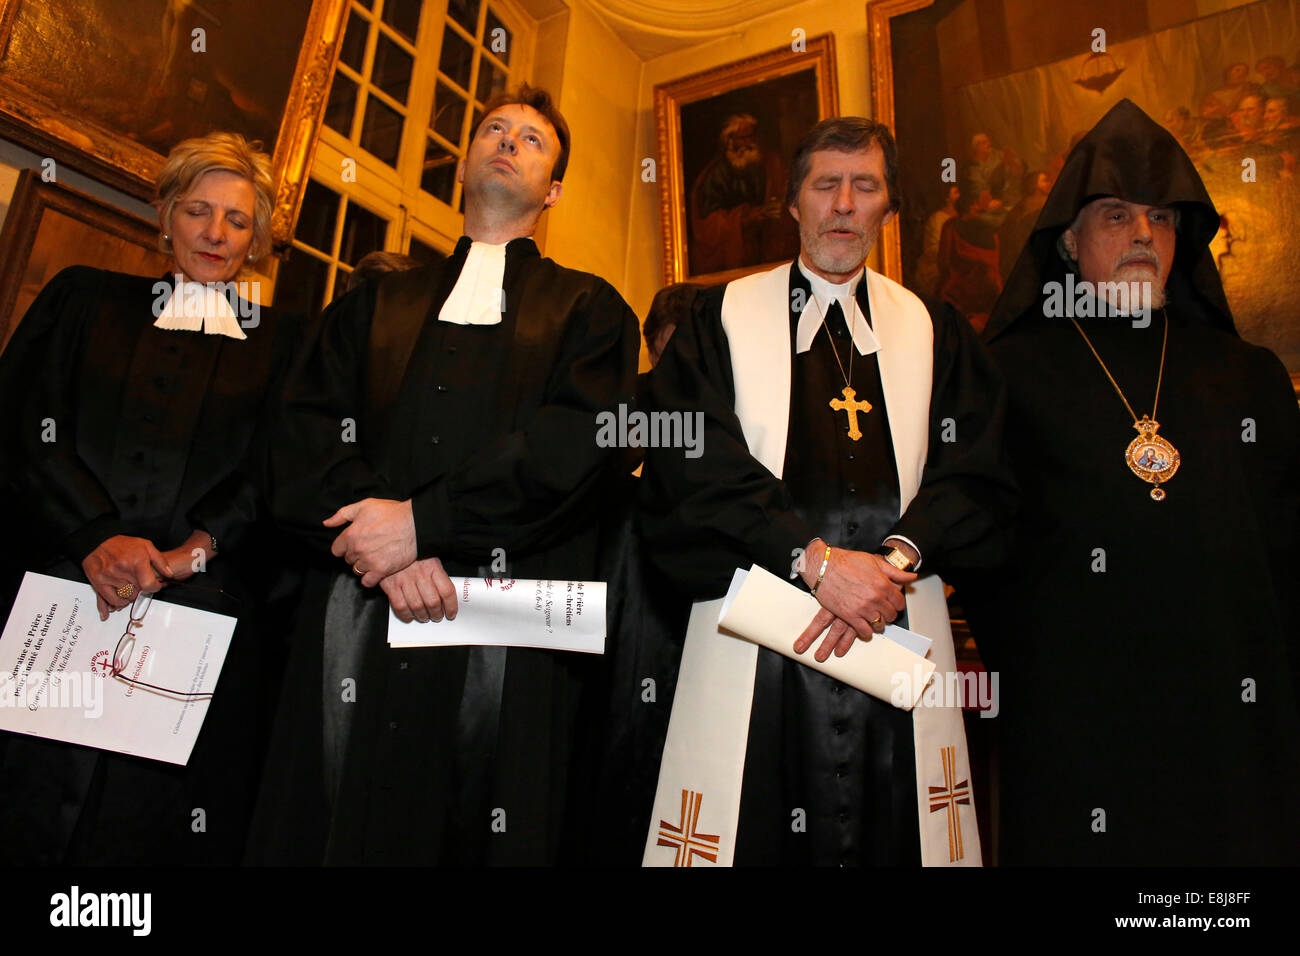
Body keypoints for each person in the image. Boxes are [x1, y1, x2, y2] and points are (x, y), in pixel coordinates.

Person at [249, 84, 639, 865]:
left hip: (504, 614)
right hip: (357, 603)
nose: (508, 141)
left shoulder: (590, 310)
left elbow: (581, 447)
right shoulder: (373, 304)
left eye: (532, 140)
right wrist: (381, 540)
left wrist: (424, 524)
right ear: (465, 163)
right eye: (494, 129)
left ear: (553, 190)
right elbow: (300, 434)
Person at [639, 117, 1016, 866]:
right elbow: (692, 460)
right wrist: (814, 561)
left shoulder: (936, 331)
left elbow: (977, 467)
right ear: (793, 204)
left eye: (865, 185)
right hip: (760, 648)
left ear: (888, 206)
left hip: (894, 633)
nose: (844, 203)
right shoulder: (716, 320)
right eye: (825, 185)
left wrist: (894, 560)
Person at [972, 98, 1300, 865]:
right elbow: (982, 535)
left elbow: (1289, 543)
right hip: (1081, 709)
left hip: (1233, 705)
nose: (1144, 235)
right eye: (1116, 216)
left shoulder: (1247, 375)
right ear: (1069, 242)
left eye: (1160, 216)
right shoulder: (1008, 374)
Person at [0, 131, 303, 864]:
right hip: (57, 600)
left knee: (144, 837)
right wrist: (94, 535)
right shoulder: (82, 299)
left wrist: (191, 552)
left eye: (237, 220)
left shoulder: (286, 345)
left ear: (258, 238)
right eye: (198, 210)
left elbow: (279, 468)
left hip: (199, 622)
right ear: (164, 214)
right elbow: (22, 424)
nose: (215, 233)